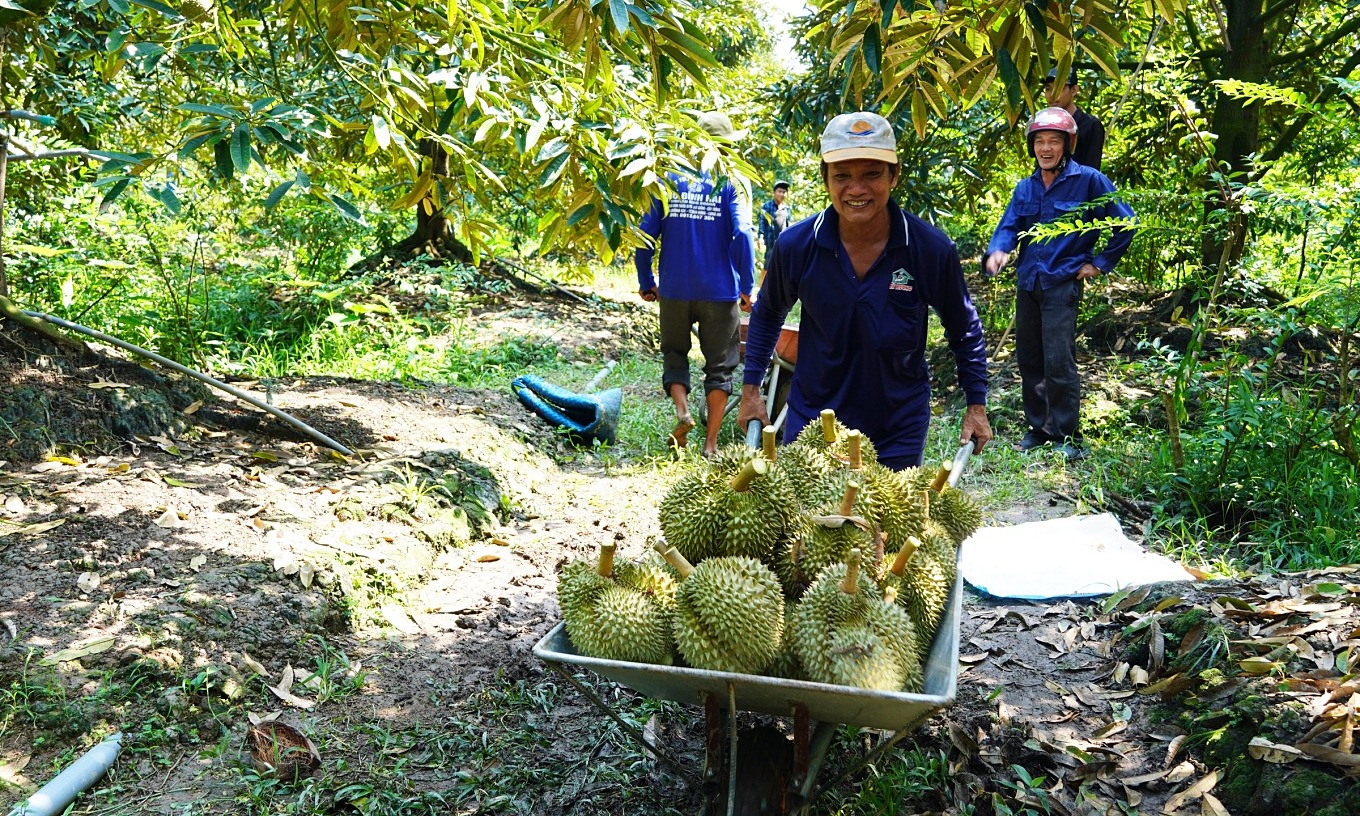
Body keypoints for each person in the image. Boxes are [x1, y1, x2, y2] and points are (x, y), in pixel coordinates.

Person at [738, 111, 993, 470]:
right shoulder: (797, 246)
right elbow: (766, 316)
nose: (856, 189)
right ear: (826, 179)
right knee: (809, 523)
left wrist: (976, 406)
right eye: (842, 176)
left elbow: (964, 329)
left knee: (885, 527)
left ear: (894, 175)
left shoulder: (929, 250)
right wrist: (751, 391)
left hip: (896, 428)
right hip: (814, 421)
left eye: (871, 174)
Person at [984, 107, 1135, 460]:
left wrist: (1099, 264)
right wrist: (999, 251)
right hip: (1029, 283)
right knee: (1030, 359)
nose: (1046, 148)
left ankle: (1068, 435)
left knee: (1058, 360)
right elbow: (1009, 225)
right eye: (1039, 141)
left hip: (1061, 283)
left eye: (1054, 140)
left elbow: (1125, 223)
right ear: (1032, 146)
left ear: (1067, 144)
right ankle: (1040, 429)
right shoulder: (1026, 186)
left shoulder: (1090, 180)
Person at [636, 111, 756, 458]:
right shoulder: (731, 182)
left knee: (674, 354)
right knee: (719, 368)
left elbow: (644, 235)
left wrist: (647, 280)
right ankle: (711, 444)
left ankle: (683, 413)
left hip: (674, 288)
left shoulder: (668, 179)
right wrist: (746, 285)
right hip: (719, 292)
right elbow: (743, 234)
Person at [1044, 68, 1105, 171]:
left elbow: (1091, 172)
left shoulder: (1090, 125)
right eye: (1048, 89)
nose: (1052, 95)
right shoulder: (1044, 125)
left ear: (1074, 90)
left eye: (1059, 89)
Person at [758, 180, 792, 277]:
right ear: (774, 192)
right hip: (771, 243)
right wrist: (760, 237)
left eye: (784, 192)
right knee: (767, 267)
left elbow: (788, 226)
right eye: (779, 191)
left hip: (784, 243)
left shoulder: (787, 209)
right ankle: (761, 290)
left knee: (782, 268)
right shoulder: (767, 206)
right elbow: (762, 222)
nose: (782, 194)